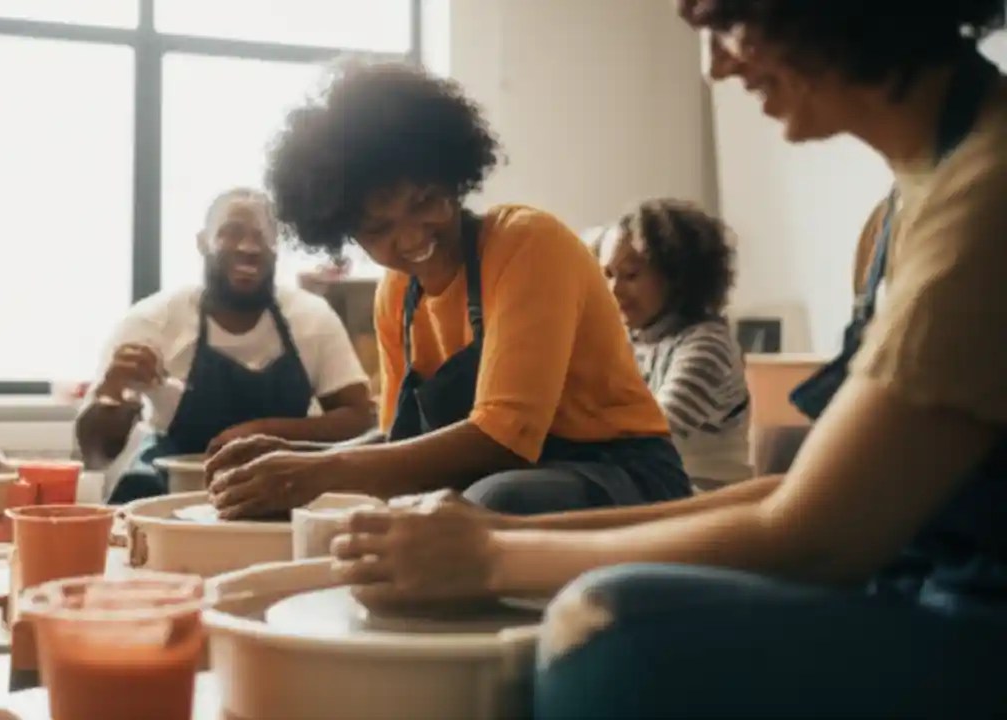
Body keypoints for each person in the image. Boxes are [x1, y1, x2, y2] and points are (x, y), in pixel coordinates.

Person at [330, 2, 1007, 715]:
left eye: (728, 22)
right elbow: (802, 493)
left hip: (974, 615)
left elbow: (818, 538)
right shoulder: (906, 204)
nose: (716, 65)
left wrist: (494, 556)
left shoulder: (985, 200)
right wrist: (501, 537)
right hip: (909, 577)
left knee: (610, 636)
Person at [205, 62, 691, 520]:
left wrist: (318, 472)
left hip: (624, 476)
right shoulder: (396, 295)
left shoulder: (526, 243)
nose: (413, 236)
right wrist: (298, 457)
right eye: (380, 228)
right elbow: (402, 444)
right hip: (503, 475)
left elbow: (502, 439)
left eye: (426, 202)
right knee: (417, 510)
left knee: (488, 502)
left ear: (454, 180)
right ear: (346, 235)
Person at [75, 187, 375, 504]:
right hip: (172, 492)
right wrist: (111, 392)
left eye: (262, 236)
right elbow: (96, 454)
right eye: (231, 233)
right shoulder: (154, 322)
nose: (249, 247)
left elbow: (358, 417)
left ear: (276, 249)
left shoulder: (311, 318)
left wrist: (263, 433)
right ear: (203, 243)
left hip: (281, 490)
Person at [593, 199, 752, 490]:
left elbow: (653, 432)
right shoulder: (630, 340)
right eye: (608, 275)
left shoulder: (707, 344)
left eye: (631, 275)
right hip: (650, 486)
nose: (614, 289)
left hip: (704, 496)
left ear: (676, 276)